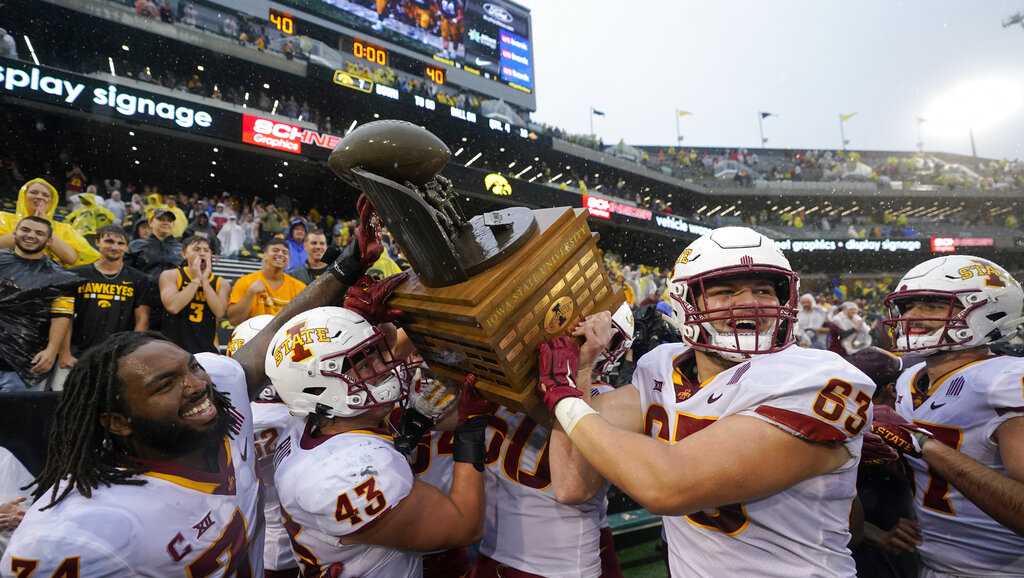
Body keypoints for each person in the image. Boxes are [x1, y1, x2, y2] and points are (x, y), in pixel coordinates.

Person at [1, 195, 387, 576]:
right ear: (117, 421)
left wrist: (348, 264)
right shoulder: (74, 533)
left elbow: (273, 333)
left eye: (190, 368)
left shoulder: (215, 393)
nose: (195, 385)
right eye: (164, 384)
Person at [540, 226, 876, 577]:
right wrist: (579, 369)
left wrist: (563, 395)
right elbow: (572, 484)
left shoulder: (816, 377)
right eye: (725, 291)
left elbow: (667, 486)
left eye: (764, 290)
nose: (748, 302)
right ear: (685, 302)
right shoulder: (661, 365)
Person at [265, 306, 491, 576]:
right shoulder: (344, 476)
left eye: (373, 354)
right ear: (320, 390)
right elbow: (465, 525)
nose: (383, 366)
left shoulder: (314, 422)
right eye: (364, 364)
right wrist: (471, 426)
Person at [871, 255, 1024, 577]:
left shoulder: (1007, 380)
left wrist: (924, 445)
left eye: (931, 305)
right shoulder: (907, 380)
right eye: (908, 306)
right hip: (931, 564)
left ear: (988, 310)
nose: (911, 316)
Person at [469, 304, 634, 578]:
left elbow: (573, 489)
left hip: (555, 563)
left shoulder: (606, 399)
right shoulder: (511, 387)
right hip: (504, 553)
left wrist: (577, 374)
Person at [0, 217, 77, 392]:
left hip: (23, 367)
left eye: (39, 233)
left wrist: (51, 350)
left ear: (49, 241)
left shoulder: (61, 276)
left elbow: (62, 315)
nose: (31, 235)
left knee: (17, 419)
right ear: (14, 233)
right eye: (25, 230)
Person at [66, 224, 150, 362]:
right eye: (109, 241)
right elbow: (65, 318)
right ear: (97, 242)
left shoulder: (139, 279)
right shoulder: (76, 274)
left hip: (119, 354)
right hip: (77, 352)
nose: (114, 247)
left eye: (120, 243)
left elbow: (142, 320)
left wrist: (133, 352)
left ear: (126, 247)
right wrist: (65, 352)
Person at [0, 178, 98, 268]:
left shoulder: (64, 228)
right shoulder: (3, 218)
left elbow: (72, 259)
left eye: (45, 195)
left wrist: (46, 227)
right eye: (34, 192)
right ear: (23, 196)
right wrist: (31, 223)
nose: (39, 197)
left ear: (52, 202)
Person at [158, 236, 230, 354]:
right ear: (184, 253)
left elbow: (219, 312)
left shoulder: (221, 283)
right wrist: (196, 280)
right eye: (196, 249)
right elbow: (173, 307)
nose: (202, 253)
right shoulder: (171, 275)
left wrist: (205, 281)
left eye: (206, 250)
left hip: (205, 347)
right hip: (173, 345)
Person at [227, 239, 306, 325]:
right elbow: (234, 321)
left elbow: (303, 321)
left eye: (285, 252)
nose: (280, 254)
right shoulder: (245, 282)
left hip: (285, 336)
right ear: (264, 255)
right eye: (275, 250)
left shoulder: (299, 287)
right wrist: (250, 293)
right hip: (253, 335)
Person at [128, 209, 183, 280]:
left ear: (173, 225)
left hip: (174, 289)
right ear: (151, 223)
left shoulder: (181, 248)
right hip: (143, 289)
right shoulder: (136, 245)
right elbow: (125, 272)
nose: (166, 222)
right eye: (161, 219)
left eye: (169, 221)